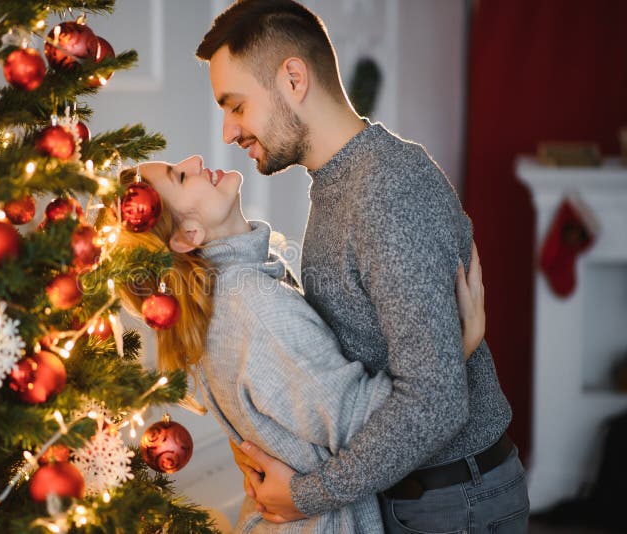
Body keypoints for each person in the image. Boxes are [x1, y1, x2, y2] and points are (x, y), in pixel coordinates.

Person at [195, 1, 529, 532]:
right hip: (407, 493)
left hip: (447, 503)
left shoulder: (385, 192)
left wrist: (307, 495)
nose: (228, 132)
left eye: (236, 105)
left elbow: (436, 400)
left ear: (294, 78)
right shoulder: (339, 184)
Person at [111, 156, 485, 533]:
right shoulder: (254, 307)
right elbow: (371, 425)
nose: (194, 161)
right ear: (188, 235)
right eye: (180, 176)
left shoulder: (231, 296)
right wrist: (454, 345)